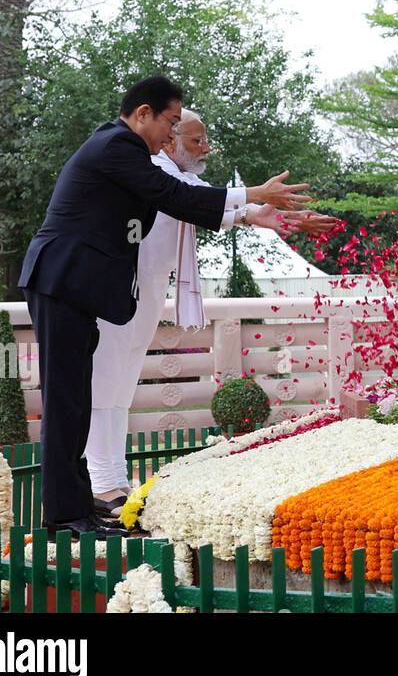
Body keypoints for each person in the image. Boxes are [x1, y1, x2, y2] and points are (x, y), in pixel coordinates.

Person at [19, 75, 313, 538]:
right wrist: (252, 194)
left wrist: (248, 212)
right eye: (170, 124)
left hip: (81, 288)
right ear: (143, 115)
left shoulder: (129, 152)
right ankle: (64, 517)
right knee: (67, 401)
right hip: (63, 282)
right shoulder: (116, 147)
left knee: (77, 400)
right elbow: (176, 195)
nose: (172, 135)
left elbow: (180, 201)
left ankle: (76, 508)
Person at [86, 108, 338, 515]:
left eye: (205, 140)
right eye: (195, 140)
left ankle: (113, 484)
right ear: (169, 140)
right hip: (111, 292)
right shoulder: (150, 170)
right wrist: (256, 197)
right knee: (104, 387)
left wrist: (284, 218)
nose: (206, 148)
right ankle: (101, 484)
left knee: (121, 389)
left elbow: (214, 206)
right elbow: (199, 201)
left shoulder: (181, 180)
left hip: (142, 297)